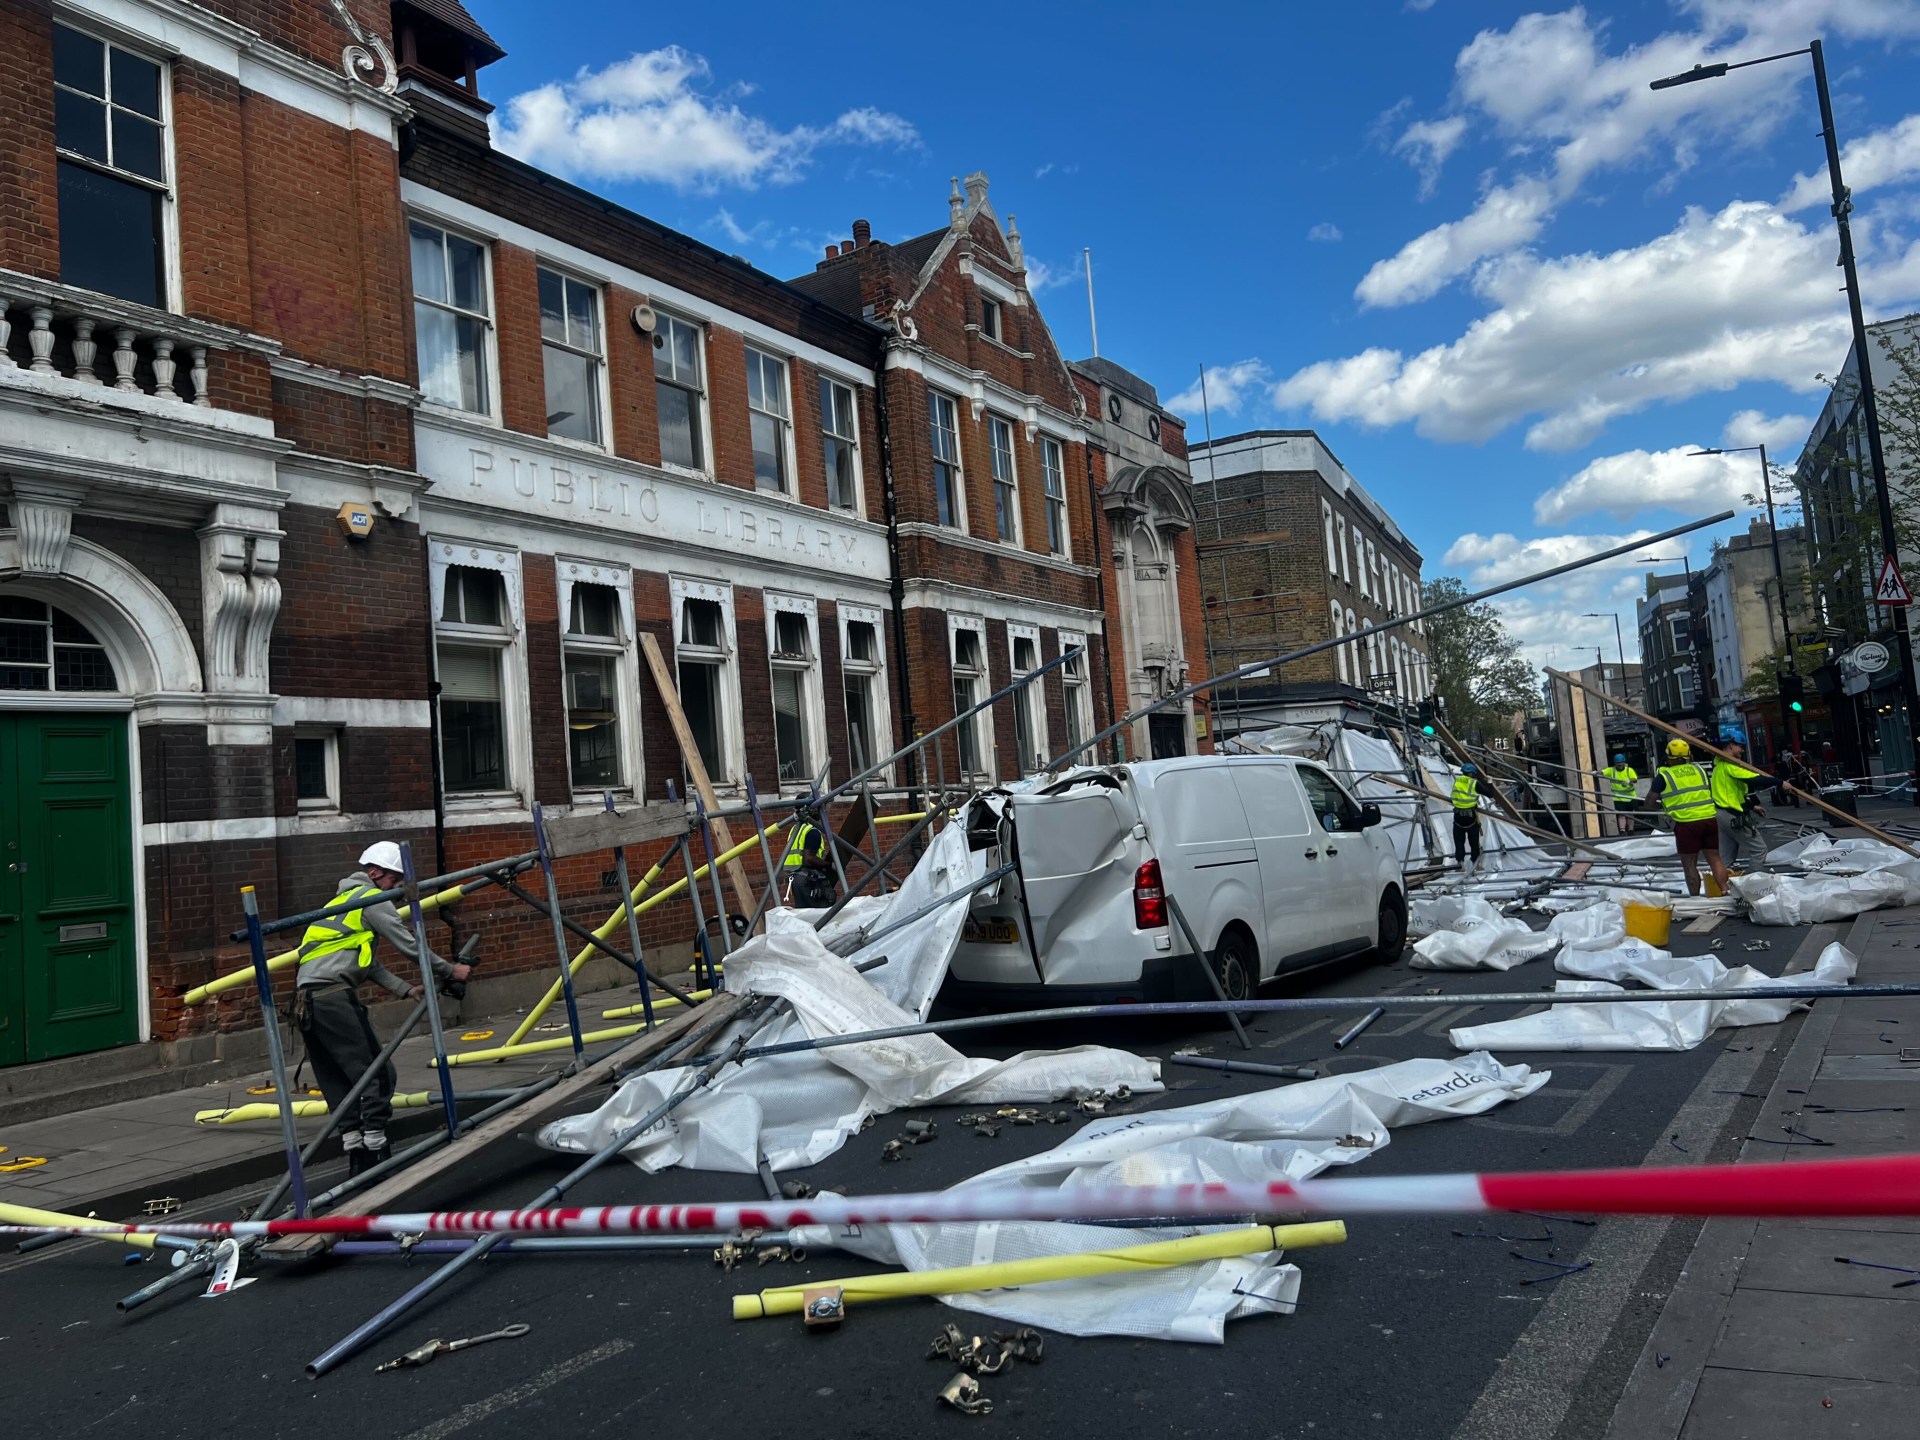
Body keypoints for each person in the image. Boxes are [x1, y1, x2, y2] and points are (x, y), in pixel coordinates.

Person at [294, 841, 471, 1177]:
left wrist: (405, 989)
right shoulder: (370, 898)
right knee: (377, 1072)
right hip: (334, 998)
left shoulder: (337, 904)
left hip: (306, 1002)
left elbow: (367, 963)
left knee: (337, 1077)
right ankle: (376, 1149)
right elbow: (408, 944)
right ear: (375, 873)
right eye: (394, 880)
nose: (396, 890)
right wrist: (450, 970)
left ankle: (355, 1153)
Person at [1649, 739, 1729, 898]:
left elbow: (1649, 803)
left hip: (1686, 824)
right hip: (1709, 819)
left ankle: (1696, 898)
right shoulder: (1700, 770)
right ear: (1689, 755)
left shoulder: (1664, 776)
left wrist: (1666, 806)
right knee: (1715, 859)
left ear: (1668, 756)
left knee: (1690, 864)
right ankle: (1726, 891)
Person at [1711, 735, 1778, 873]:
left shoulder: (1720, 766)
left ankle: (1721, 883)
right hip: (1732, 815)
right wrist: (1780, 783)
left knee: (1726, 857)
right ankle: (1753, 881)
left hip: (1722, 814)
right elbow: (1755, 779)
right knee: (1759, 850)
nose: (1742, 750)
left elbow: (1734, 794)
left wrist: (1752, 806)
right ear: (1731, 746)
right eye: (1740, 746)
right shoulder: (1729, 766)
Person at [781, 813, 837, 908]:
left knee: (804, 912)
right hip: (808, 879)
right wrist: (829, 865)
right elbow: (808, 859)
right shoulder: (813, 831)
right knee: (821, 910)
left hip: (795, 878)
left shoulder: (796, 829)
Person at [1450, 762, 1484, 878]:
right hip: (1470, 816)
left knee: (1459, 840)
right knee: (1474, 840)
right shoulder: (1474, 783)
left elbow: (1454, 796)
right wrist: (1489, 783)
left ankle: (1460, 864)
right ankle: (1476, 864)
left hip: (1458, 816)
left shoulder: (1457, 781)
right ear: (1471, 773)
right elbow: (1490, 793)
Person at [1600, 752, 1640, 835]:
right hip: (1618, 797)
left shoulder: (1629, 770)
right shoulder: (1611, 770)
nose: (1619, 764)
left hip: (1630, 797)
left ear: (1624, 762)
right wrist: (1595, 772)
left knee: (1630, 814)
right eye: (1618, 763)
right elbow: (1602, 772)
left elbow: (1635, 779)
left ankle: (1631, 830)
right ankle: (1622, 830)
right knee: (1621, 814)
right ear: (1615, 763)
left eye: (1621, 762)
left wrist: (1629, 781)